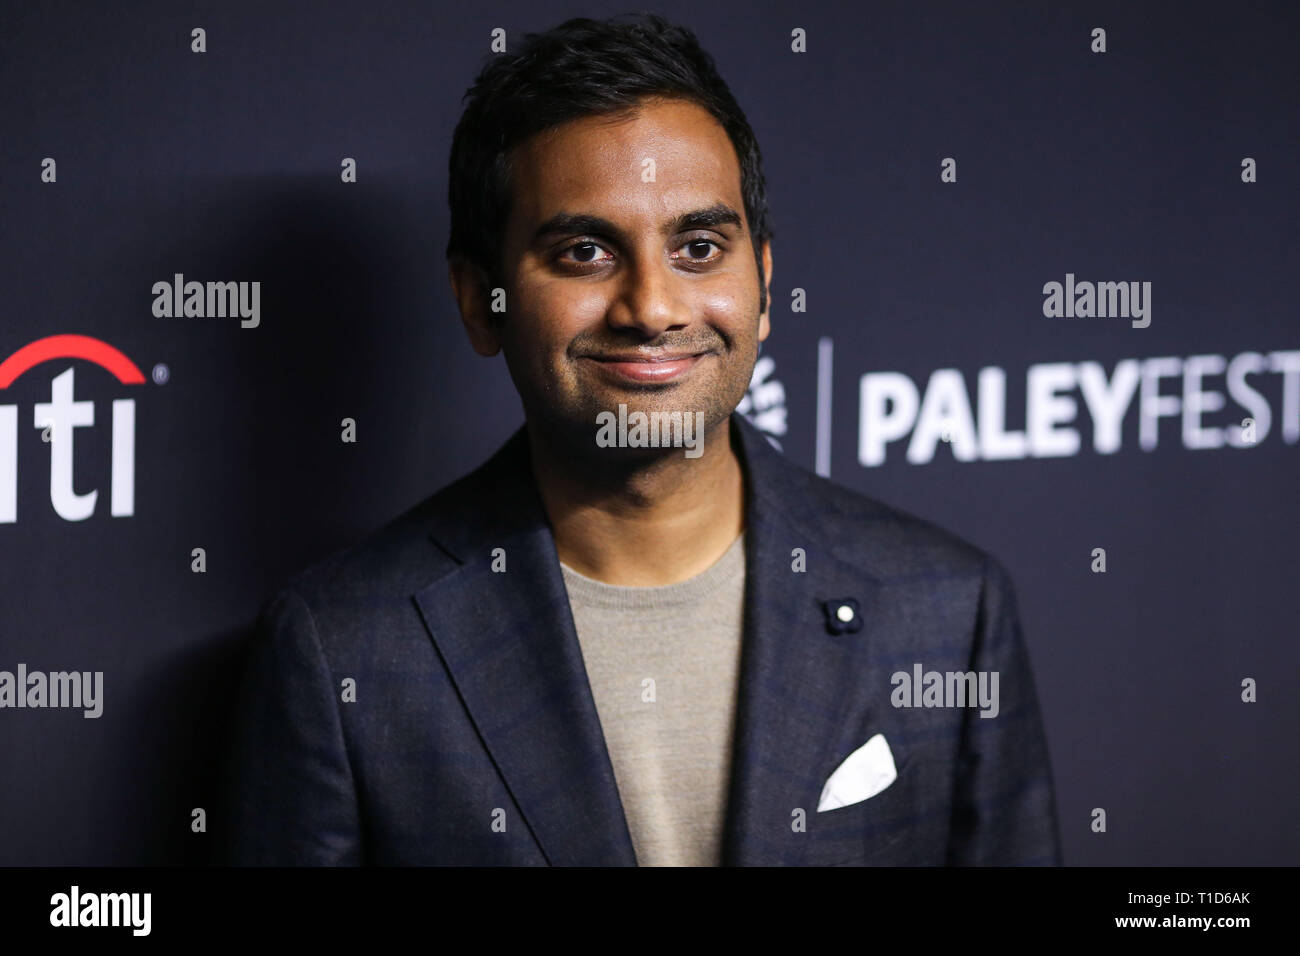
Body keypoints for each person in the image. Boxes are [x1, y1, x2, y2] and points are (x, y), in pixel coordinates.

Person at [222, 13, 1061, 866]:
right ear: (481, 300)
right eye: (585, 252)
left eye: (699, 247)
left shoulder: (948, 611)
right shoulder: (341, 652)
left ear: (764, 286)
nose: (653, 307)